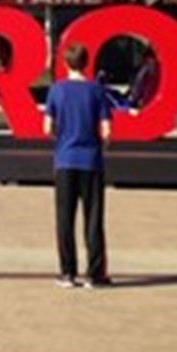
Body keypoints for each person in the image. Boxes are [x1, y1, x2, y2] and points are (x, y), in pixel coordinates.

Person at [43, 43, 113, 288]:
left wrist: (61, 137)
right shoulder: (97, 90)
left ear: (65, 62)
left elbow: (47, 127)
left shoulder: (56, 90)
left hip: (65, 159)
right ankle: (95, 273)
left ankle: (67, 272)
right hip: (91, 160)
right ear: (87, 62)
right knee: (93, 218)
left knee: (65, 218)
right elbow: (106, 131)